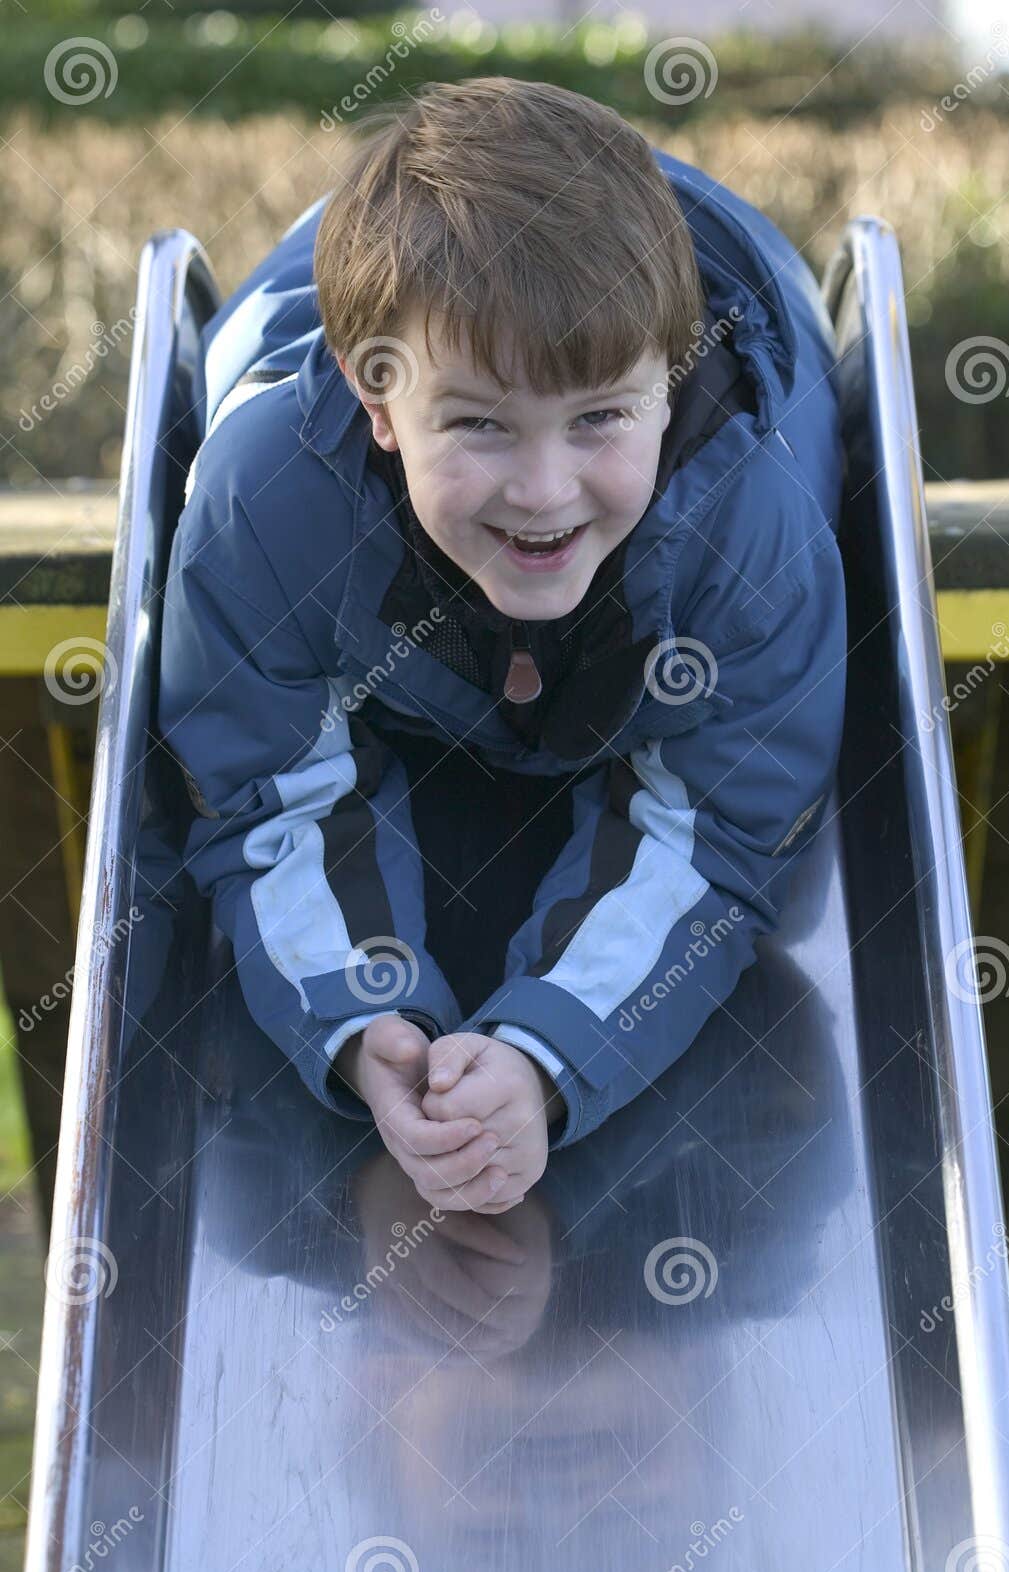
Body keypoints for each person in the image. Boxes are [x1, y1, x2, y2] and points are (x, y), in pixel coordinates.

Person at [158, 75, 847, 1217]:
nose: (542, 490)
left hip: (743, 269)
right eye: (479, 423)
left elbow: (719, 829)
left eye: (599, 419)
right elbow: (265, 787)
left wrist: (548, 1049)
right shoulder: (268, 501)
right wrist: (360, 1014)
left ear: (668, 385)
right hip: (303, 309)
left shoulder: (750, 531)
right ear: (379, 403)